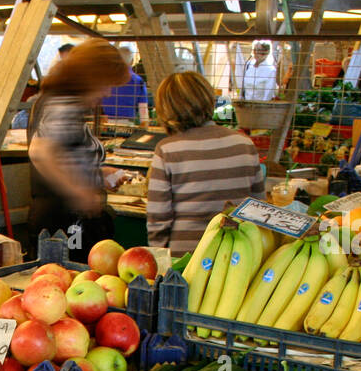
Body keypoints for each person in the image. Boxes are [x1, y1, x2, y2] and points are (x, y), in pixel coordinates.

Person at [27, 39, 132, 249]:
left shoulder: (63, 103)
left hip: (67, 221)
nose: (107, 93)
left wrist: (97, 174)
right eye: (106, 84)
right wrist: (79, 192)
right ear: (91, 77)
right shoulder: (63, 103)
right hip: (65, 223)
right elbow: (40, 152)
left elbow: (62, 157)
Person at [146, 71, 265, 253]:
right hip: (237, 253)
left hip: (185, 258)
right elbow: (258, 207)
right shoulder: (245, 143)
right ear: (208, 99)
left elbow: (158, 219)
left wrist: (159, 254)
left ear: (165, 109)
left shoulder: (167, 150)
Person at [101, 45, 148, 121]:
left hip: (105, 122)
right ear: (132, 61)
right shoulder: (138, 81)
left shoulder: (105, 79)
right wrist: (145, 123)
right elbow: (143, 109)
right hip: (128, 124)